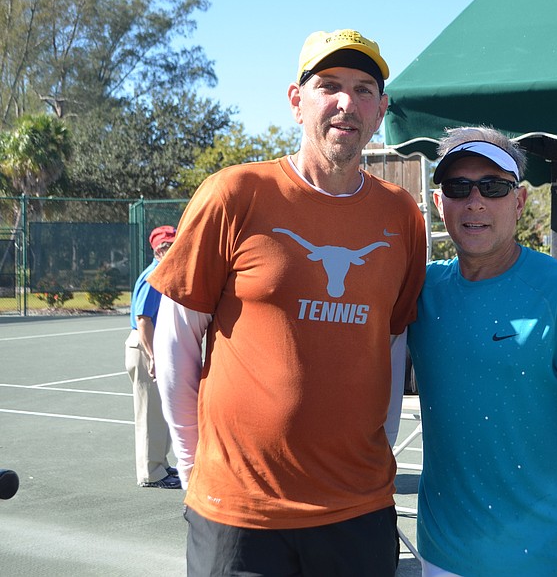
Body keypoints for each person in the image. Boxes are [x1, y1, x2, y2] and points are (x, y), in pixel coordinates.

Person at [148, 29, 427, 576]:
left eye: (364, 89)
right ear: (297, 101)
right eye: (329, 86)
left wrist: (379, 448)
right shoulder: (234, 194)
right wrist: (193, 466)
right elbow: (178, 339)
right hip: (239, 514)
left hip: (358, 509)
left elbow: (392, 343)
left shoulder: (402, 217)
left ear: (381, 111)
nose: (347, 102)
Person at [407, 126, 557, 577]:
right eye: (458, 187)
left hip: (544, 561)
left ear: (519, 200)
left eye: (492, 187)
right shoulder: (418, 291)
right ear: (439, 204)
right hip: (438, 559)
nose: (475, 202)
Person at [124, 225, 179, 489]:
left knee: (161, 410)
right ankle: (151, 473)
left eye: (174, 243)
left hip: (155, 346)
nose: (172, 248)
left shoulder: (165, 272)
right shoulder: (153, 275)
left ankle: (160, 463)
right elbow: (143, 319)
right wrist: (153, 356)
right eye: (167, 245)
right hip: (145, 347)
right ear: (157, 249)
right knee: (149, 413)